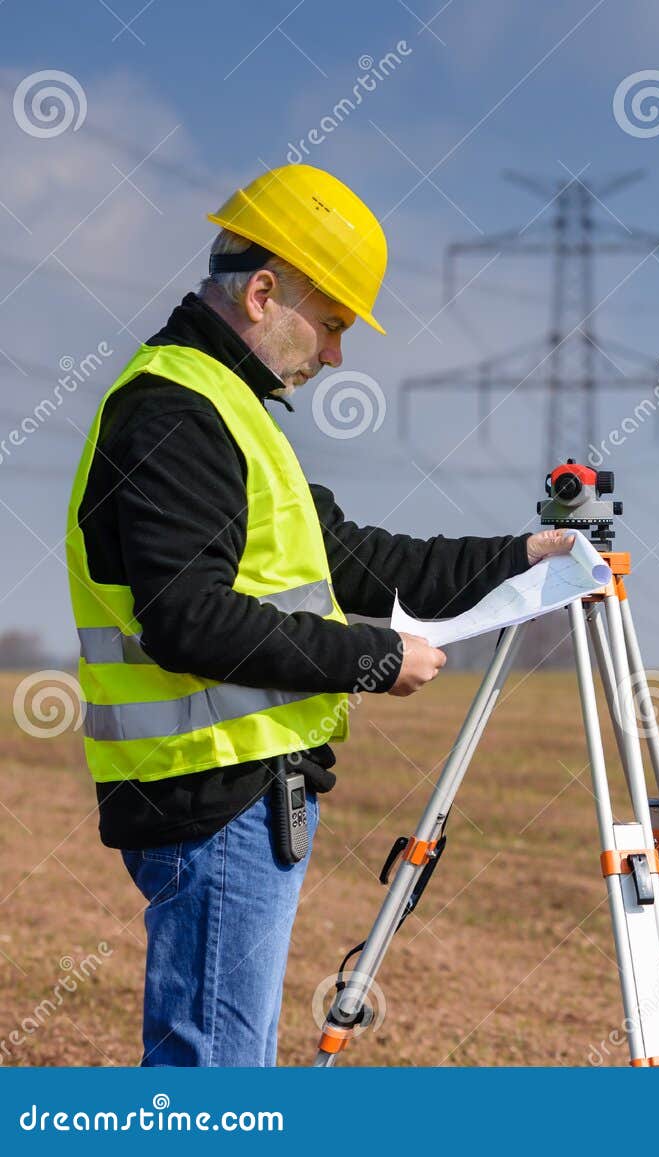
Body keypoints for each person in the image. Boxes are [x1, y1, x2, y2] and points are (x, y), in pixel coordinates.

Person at [64, 164, 575, 1066]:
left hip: (239, 791)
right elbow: (187, 619)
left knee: (230, 1063)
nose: (336, 354)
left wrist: (523, 556)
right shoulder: (176, 413)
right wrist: (374, 658)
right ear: (263, 293)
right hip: (210, 789)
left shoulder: (231, 413)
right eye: (333, 321)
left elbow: (364, 560)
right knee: (215, 1079)